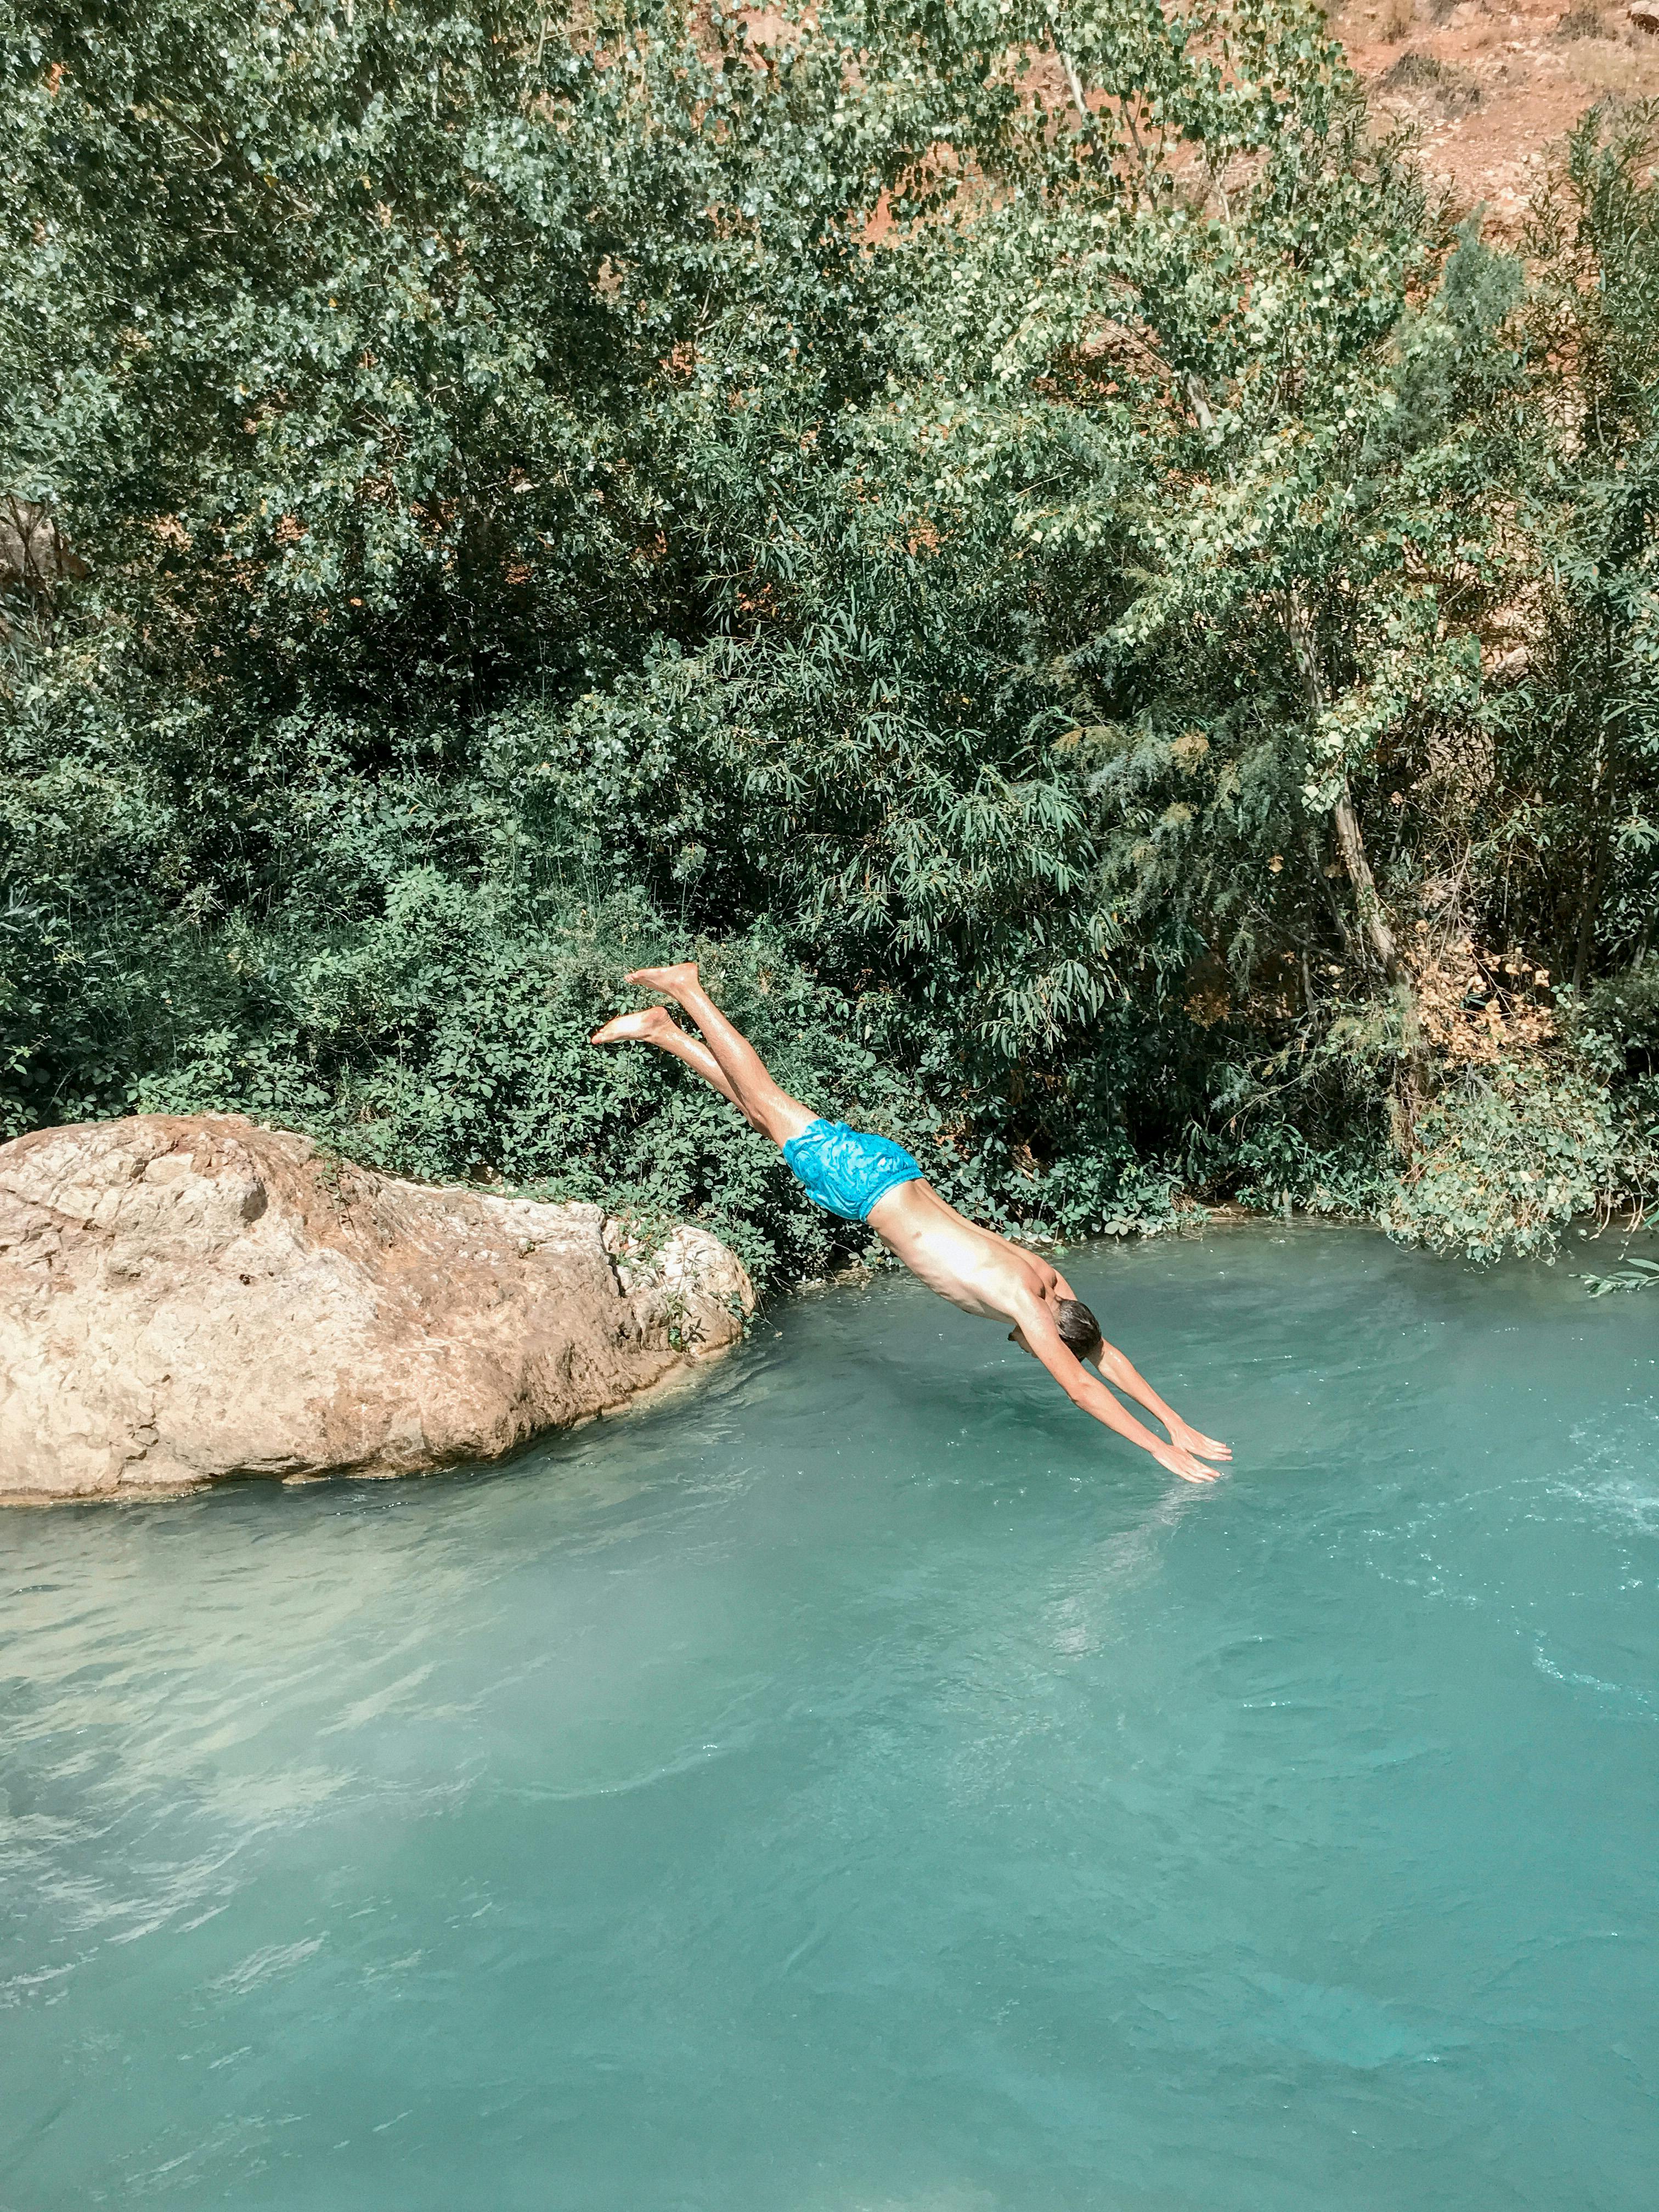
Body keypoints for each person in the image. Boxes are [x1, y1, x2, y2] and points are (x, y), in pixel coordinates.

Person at [592, 964, 1231, 1485]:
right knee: (764, 1095)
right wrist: (1158, 1449)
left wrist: (1180, 1423)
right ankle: (687, 990)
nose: (1026, 1347)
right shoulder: (1027, 1306)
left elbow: (1104, 1355)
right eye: (1037, 1346)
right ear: (1047, 1335)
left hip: (895, 1170)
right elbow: (1084, 1389)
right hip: (863, 1182)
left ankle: (664, 1034)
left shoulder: (1050, 1285)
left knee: (767, 1117)